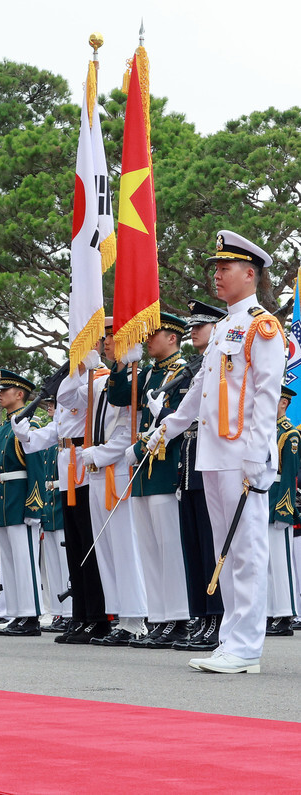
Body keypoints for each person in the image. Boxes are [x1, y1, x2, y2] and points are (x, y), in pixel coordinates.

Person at [147, 230, 286, 673]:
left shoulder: (262, 326)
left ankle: (246, 648)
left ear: (250, 274)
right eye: (217, 269)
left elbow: (267, 394)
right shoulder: (224, 326)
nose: (218, 276)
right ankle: (231, 641)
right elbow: (200, 390)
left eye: (226, 268)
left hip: (242, 455)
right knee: (225, 550)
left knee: (246, 551)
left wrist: (258, 454)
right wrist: (168, 426)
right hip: (213, 454)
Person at [108, 312, 191, 649]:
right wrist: (121, 363)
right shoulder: (148, 374)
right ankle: (158, 618)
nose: (148, 340)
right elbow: (117, 397)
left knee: (170, 547)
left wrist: (140, 446)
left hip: (167, 468)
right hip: (144, 472)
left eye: (154, 334)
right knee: (149, 549)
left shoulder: (183, 372)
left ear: (172, 337)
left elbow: (180, 421)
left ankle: (179, 618)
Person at [13, 365, 110, 644]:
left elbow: (77, 403)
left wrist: (73, 377)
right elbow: (57, 430)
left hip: (86, 467)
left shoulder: (97, 376)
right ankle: (81, 615)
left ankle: (98, 618)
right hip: (68, 467)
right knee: (75, 548)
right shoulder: (74, 380)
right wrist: (26, 435)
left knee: (89, 547)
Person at [75, 323, 149, 646]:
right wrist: (82, 365)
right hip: (96, 471)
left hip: (118, 470)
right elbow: (66, 396)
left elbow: (130, 431)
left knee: (124, 546)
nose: (106, 343)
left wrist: (100, 453)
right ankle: (120, 615)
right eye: (104, 338)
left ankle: (136, 618)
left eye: (112, 338)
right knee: (105, 549)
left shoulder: (133, 380)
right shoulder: (101, 381)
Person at [171, 299, 226, 653]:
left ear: (217, 328)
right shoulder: (197, 367)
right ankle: (201, 616)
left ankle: (217, 617)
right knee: (192, 546)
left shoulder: (222, 364)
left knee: (210, 546)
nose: (192, 332)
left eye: (199, 326)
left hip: (210, 461)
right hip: (189, 461)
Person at [0, 369, 45, 637]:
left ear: (20, 394)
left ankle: (31, 615)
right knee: (10, 561)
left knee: (25, 560)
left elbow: (37, 468)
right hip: (6, 500)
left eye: (5, 390)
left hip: (21, 498)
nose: (0, 394)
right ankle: (16, 613)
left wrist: (34, 505)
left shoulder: (29, 426)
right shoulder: (6, 427)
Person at [265, 385, 300, 636]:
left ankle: (285, 614)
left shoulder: (290, 435)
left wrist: (284, 510)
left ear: (284, 403)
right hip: (263, 500)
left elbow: (289, 476)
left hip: (278, 501)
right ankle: (270, 612)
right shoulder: (266, 430)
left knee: (281, 561)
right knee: (266, 562)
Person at [37, 399, 71, 632]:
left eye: (54, 404)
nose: (50, 407)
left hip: (61, 499)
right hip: (49, 502)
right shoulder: (51, 439)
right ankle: (59, 612)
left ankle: (70, 611)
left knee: (65, 560)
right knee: (52, 563)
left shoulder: (64, 438)